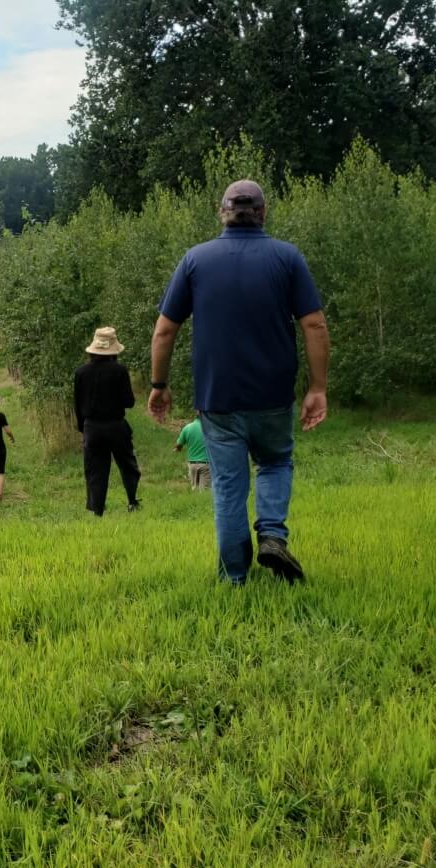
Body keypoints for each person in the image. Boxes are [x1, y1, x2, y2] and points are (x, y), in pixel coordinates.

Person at [148, 180, 330, 584]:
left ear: (222, 212)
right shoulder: (287, 257)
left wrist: (159, 384)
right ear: (263, 213)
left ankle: (234, 579)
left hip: (218, 400)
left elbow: (164, 331)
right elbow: (314, 324)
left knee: (229, 487)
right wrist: (317, 388)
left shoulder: (195, 260)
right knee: (275, 461)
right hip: (273, 395)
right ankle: (271, 533)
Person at [74, 326, 141, 516]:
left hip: (92, 427)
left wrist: (83, 429)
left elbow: (77, 405)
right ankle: (132, 501)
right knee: (127, 464)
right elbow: (129, 402)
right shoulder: (119, 371)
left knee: (95, 469)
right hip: (115, 425)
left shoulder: (81, 373)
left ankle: (97, 510)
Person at [174, 414, 210, 489]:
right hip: (206, 464)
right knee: (204, 491)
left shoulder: (187, 428)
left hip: (192, 464)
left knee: (194, 489)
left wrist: (178, 449)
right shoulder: (209, 428)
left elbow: (179, 444)